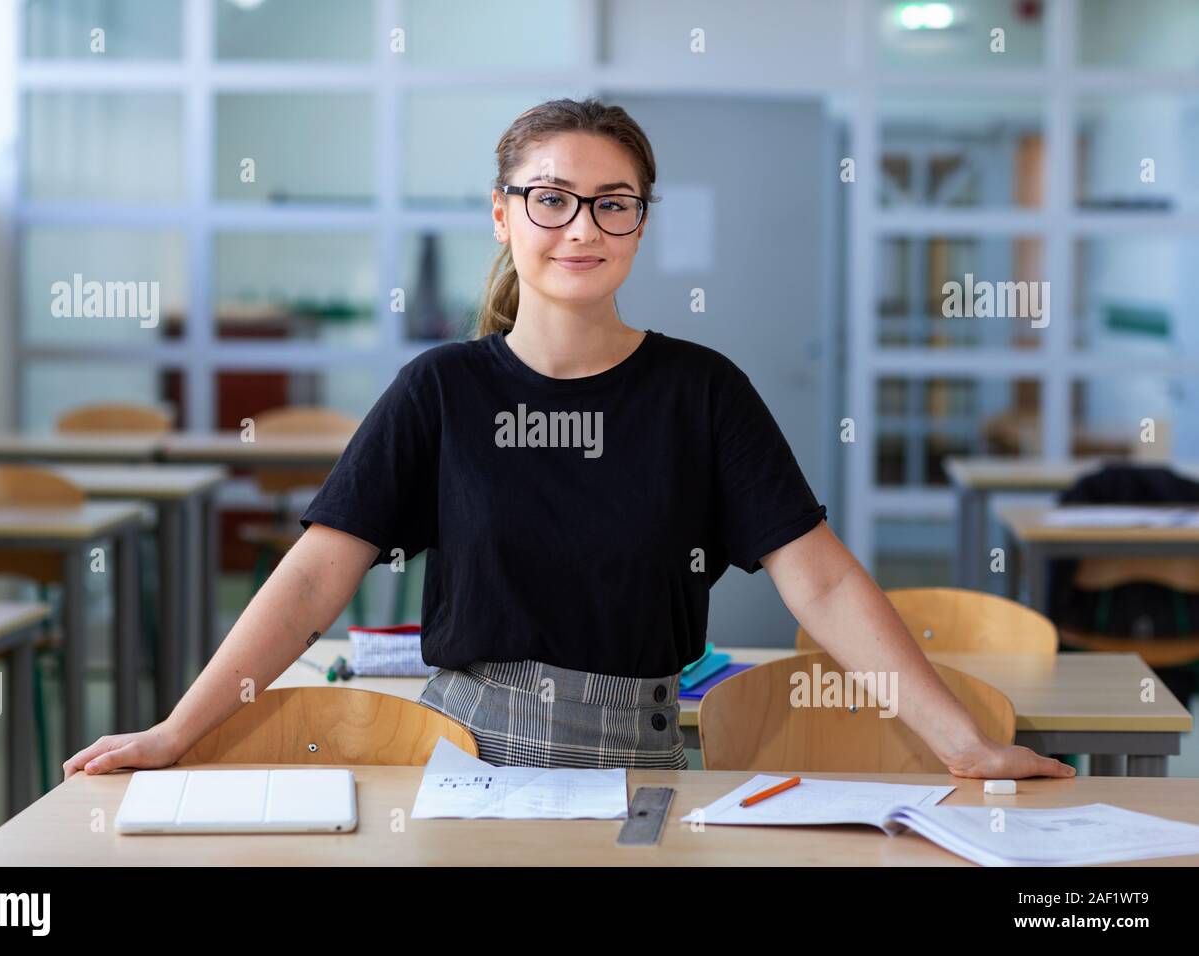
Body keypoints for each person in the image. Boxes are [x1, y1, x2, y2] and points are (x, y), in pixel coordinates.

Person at [64, 97, 1074, 779]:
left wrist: (960, 743)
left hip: (636, 750)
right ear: (503, 216)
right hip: (456, 748)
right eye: (550, 198)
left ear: (640, 223)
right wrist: (172, 730)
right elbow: (310, 580)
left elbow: (823, 582)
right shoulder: (440, 389)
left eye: (611, 202)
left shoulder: (700, 390)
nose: (579, 226)